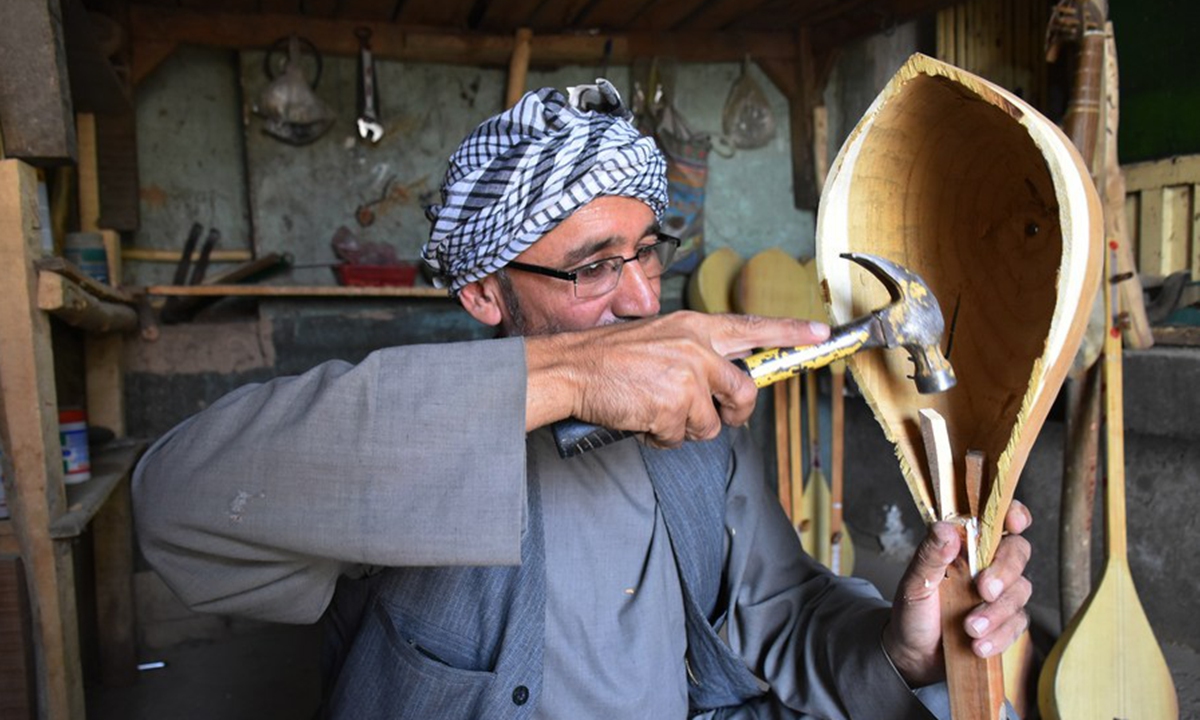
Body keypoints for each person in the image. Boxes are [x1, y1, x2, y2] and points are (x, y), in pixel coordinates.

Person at [133, 80, 1032, 719]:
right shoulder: (404, 438)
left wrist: (902, 645)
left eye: (648, 250)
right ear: (485, 293)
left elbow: (777, 616)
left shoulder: (701, 433)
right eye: (593, 265)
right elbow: (171, 504)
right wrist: (573, 375)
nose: (643, 298)